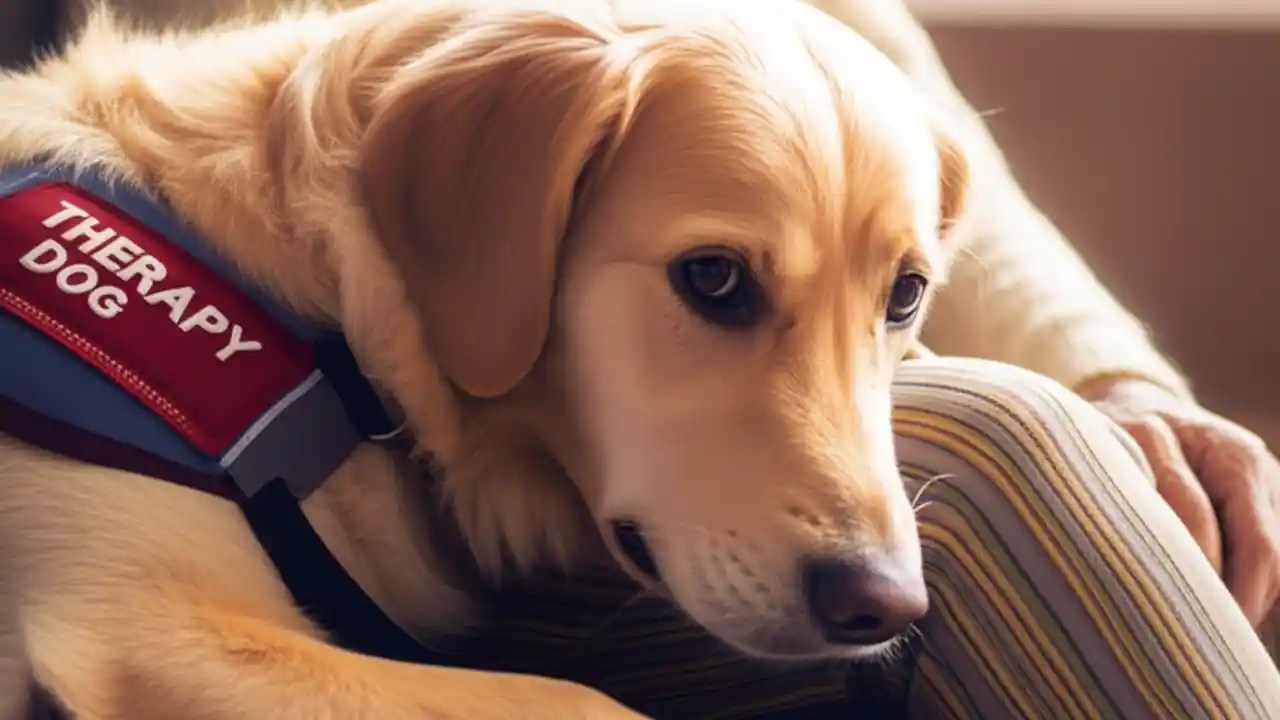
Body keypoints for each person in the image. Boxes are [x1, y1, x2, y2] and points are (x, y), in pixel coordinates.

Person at [9, 0, 1280, 717]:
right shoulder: (83, 228)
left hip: (495, 436)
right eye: (714, 281)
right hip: (371, 273)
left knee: (1034, 453)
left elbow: (877, 90)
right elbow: (119, 665)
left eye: (904, 300)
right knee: (1000, 457)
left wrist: (1120, 386)